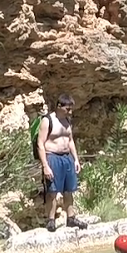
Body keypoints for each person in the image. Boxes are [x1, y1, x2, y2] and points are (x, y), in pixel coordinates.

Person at [36, 94, 84, 232]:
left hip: (67, 158)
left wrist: (76, 159)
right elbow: (40, 144)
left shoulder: (67, 120)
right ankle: (51, 220)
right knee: (52, 191)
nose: (70, 112)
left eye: (71, 109)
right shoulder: (48, 121)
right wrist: (45, 166)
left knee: (69, 190)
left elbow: (70, 140)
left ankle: (71, 218)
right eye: (67, 109)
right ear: (59, 106)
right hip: (52, 157)